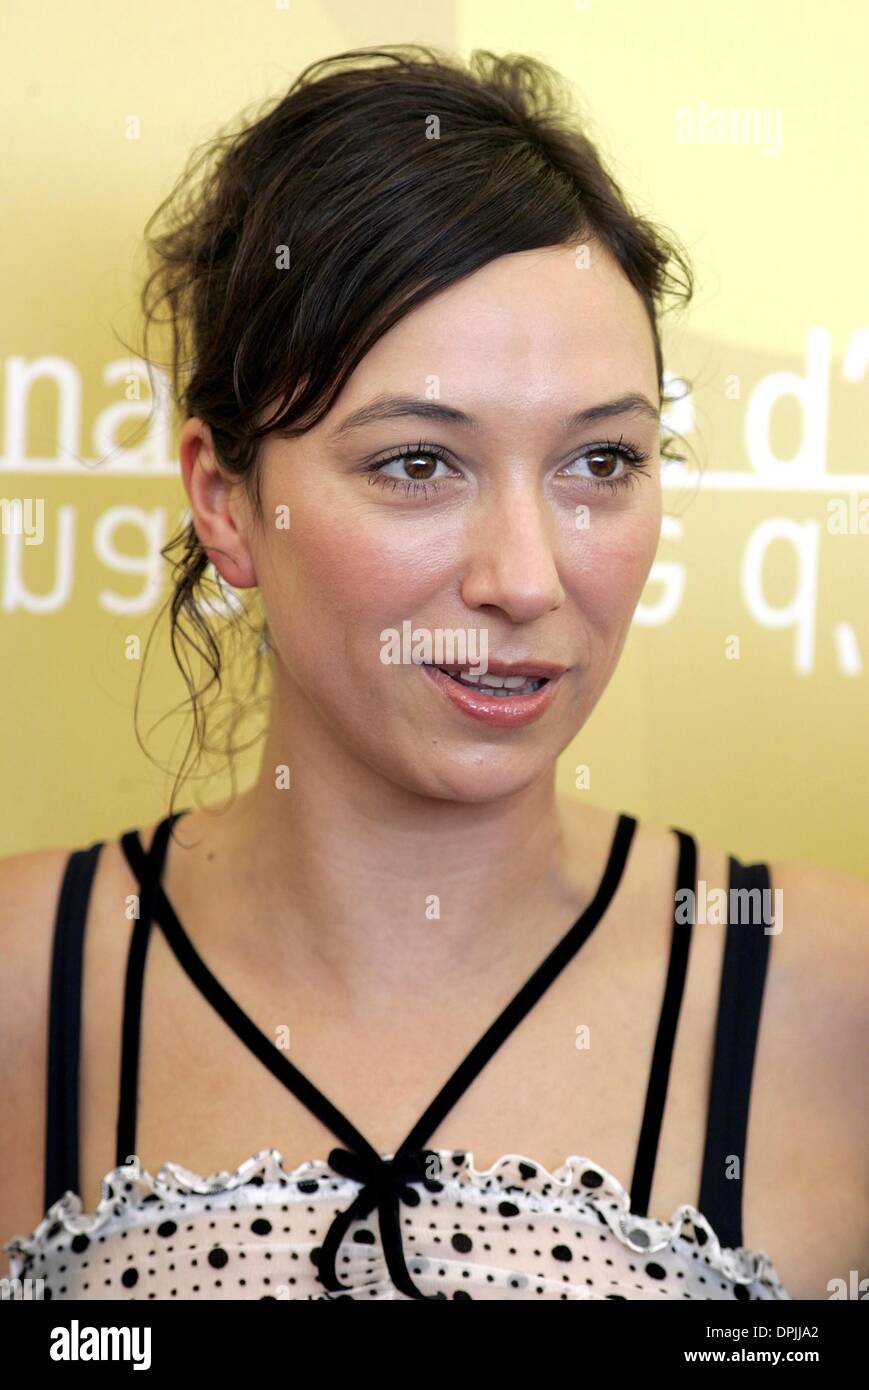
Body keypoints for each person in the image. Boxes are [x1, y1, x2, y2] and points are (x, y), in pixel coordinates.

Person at [1, 46, 866, 1302]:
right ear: (225, 501)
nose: (523, 576)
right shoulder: (28, 980)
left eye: (601, 462)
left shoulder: (826, 994)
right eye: (418, 464)